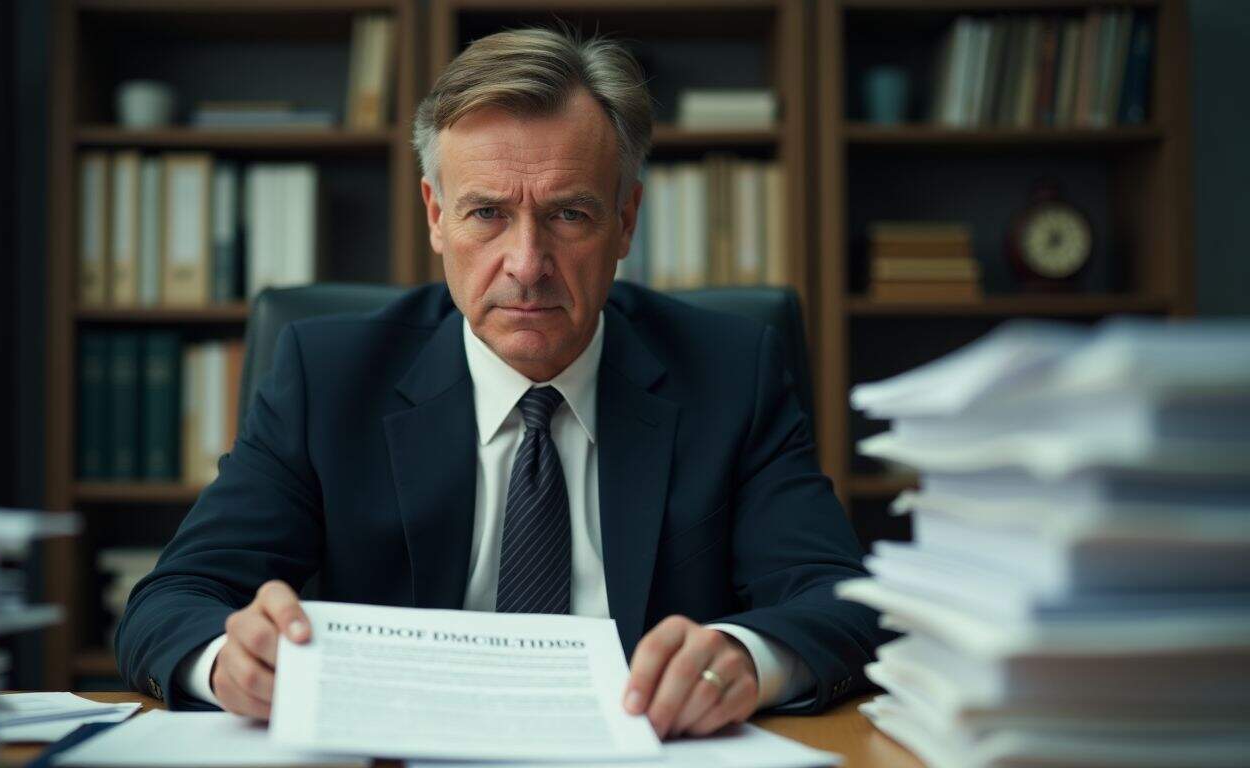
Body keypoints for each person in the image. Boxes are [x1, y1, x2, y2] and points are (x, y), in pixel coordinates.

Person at [116, 27, 882, 740]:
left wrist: (743, 659)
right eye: (486, 213)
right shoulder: (329, 378)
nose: (526, 264)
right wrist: (230, 662)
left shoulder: (730, 374)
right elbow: (172, 601)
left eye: (569, 215)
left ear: (625, 221)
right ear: (435, 216)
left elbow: (838, 601)